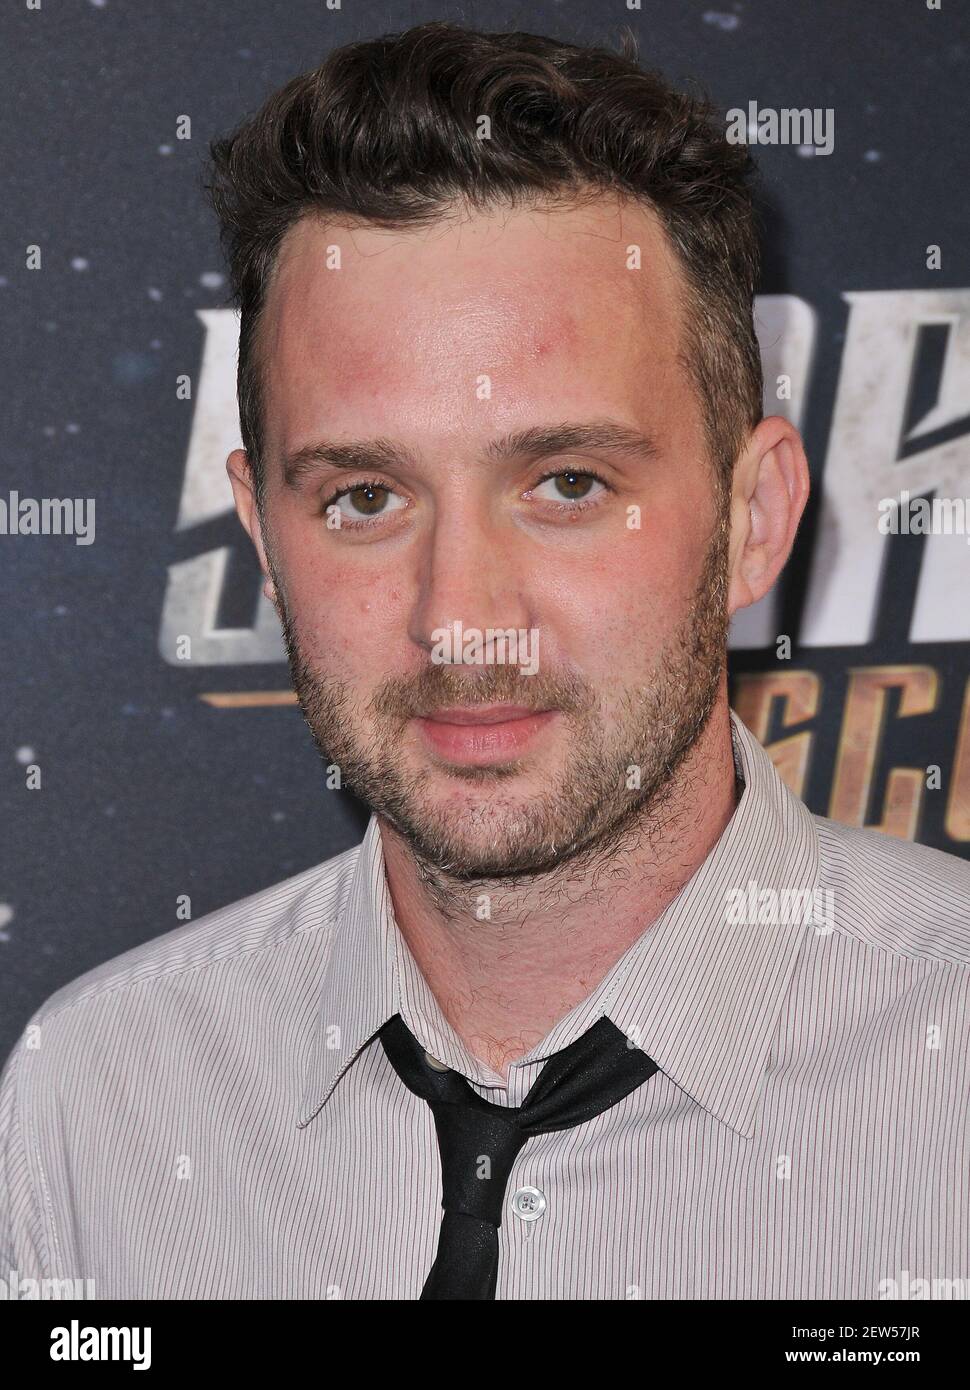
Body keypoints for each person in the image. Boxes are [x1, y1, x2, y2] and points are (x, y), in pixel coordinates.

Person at [2, 20, 968, 1301]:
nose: (459, 617)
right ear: (261, 534)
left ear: (752, 516)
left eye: (566, 482)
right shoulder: (95, 1097)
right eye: (362, 497)